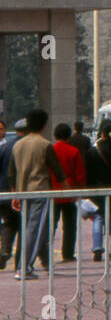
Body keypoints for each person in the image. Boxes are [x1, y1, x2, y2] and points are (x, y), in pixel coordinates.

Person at [10, 108, 67, 279]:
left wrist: (15, 195)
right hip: (40, 192)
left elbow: (11, 174)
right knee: (35, 230)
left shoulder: (17, 144)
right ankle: (24, 267)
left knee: (33, 228)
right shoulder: (45, 144)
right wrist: (72, 192)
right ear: (44, 125)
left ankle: (44, 263)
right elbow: (58, 173)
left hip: (23, 192)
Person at [86, 121, 111, 261]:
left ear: (102, 133)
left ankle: (97, 247)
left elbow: (88, 174)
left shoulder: (93, 151)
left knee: (98, 218)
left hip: (97, 190)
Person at [51, 123, 87, 263]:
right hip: (70, 192)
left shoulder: (51, 150)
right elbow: (80, 174)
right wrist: (81, 191)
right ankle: (68, 253)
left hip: (52, 193)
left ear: (55, 135)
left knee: (51, 225)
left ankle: (46, 251)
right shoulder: (74, 151)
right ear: (69, 135)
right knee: (70, 226)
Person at [0, 118, 24, 271]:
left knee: (8, 224)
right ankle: (20, 261)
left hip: (6, 193)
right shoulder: (28, 146)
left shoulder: (5, 147)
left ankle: (5, 251)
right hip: (24, 193)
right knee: (24, 227)